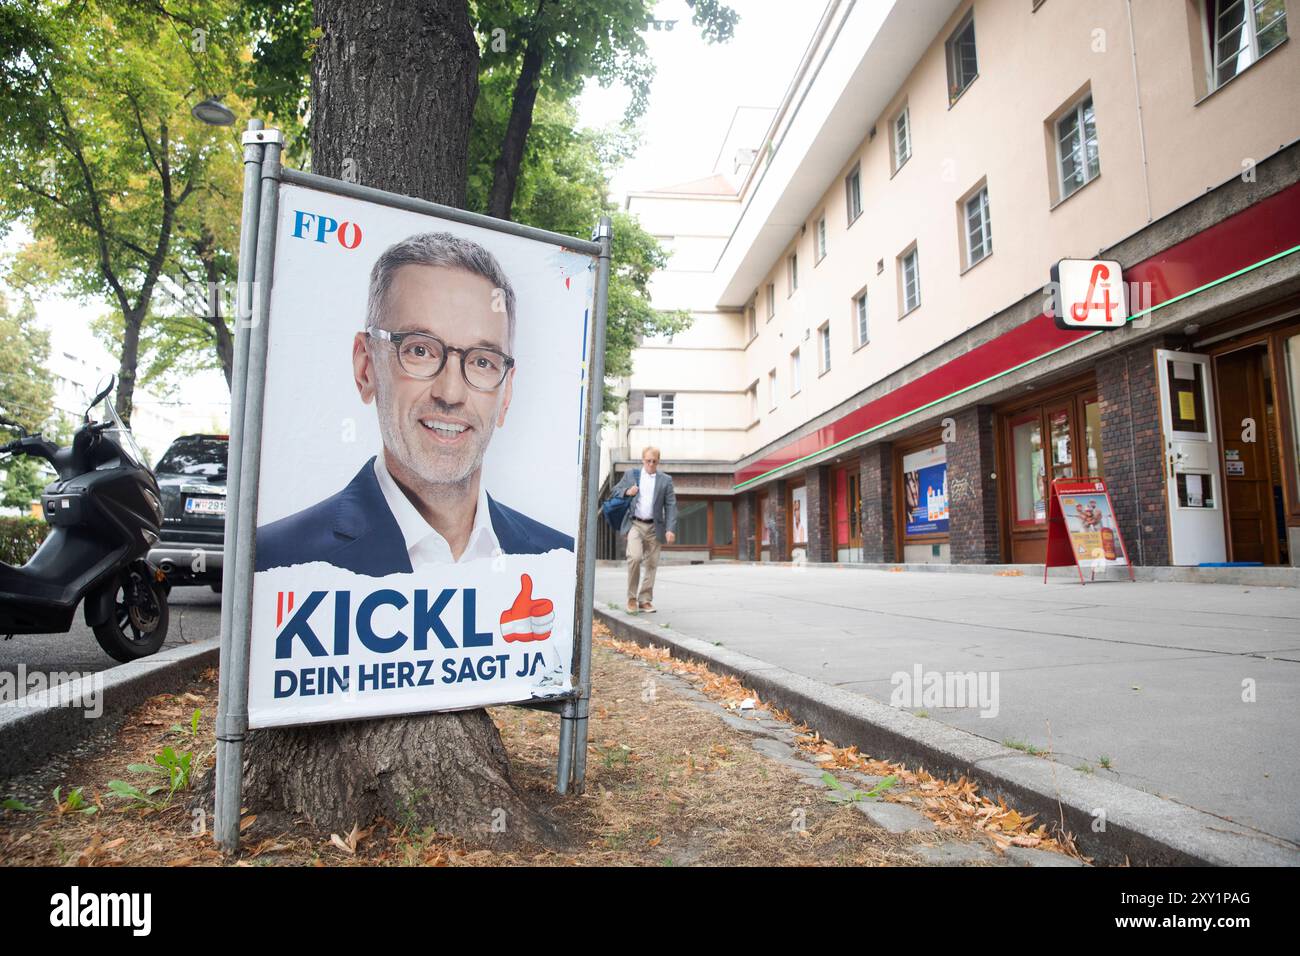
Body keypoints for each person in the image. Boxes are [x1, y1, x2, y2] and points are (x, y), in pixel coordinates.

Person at [256, 231, 573, 575]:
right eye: (420, 350)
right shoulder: (275, 560)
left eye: (483, 361)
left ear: (506, 393)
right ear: (366, 368)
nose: (450, 393)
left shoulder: (560, 564)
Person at [610, 447, 677, 613]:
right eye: (648, 460)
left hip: (655, 526)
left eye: (654, 461)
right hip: (635, 524)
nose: (651, 464)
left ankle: (645, 600)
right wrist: (627, 491)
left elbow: (671, 505)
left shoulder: (665, 480)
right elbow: (615, 491)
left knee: (652, 564)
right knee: (634, 557)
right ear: (643, 460)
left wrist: (670, 529)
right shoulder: (632, 475)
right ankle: (631, 599)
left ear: (658, 462)